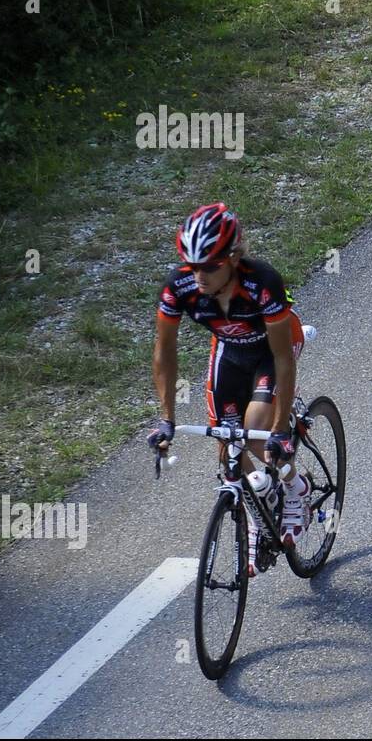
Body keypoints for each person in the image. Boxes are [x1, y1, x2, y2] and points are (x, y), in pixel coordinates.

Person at [148, 204, 308, 570]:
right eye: (192, 265)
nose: (199, 275)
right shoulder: (180, 286)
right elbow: (164, 353)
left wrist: (281, 430)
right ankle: (257, 510)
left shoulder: (262, 282)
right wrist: (166, 419)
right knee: (227, 442)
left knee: (257, 432)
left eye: (210, 266)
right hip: (231, 351)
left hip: (272, 351)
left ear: (233, 258)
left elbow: (283, 357)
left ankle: (296, 487)